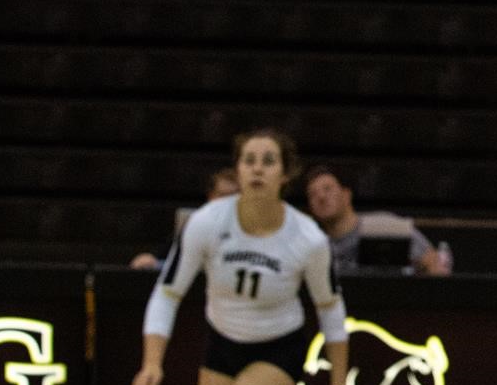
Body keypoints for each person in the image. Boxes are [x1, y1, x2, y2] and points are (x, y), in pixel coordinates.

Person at [135, 129, 347, 385]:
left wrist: (339, 380)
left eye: (268, 161)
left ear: (285, 174)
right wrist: (152, 363)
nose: (257, 169)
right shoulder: (206, 222)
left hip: (279, 347)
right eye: (249, 161)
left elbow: (330, 307)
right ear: (237, 170)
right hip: (220, 344)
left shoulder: (308, 237)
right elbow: (168, 292)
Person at [304, 166, 450, 277]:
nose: (321, 197)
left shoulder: (383, 226)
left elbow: (432, 262)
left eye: (327, 189)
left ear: (346, 195)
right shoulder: (311, 246)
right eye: (313, 195)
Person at [130, 169, 240, 270]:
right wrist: (151, 261)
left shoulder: (251, 228)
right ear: (211, 197)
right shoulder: (194, 224)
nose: (228, 202)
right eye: (223, 196)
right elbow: (164, 259)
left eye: (233, 196)